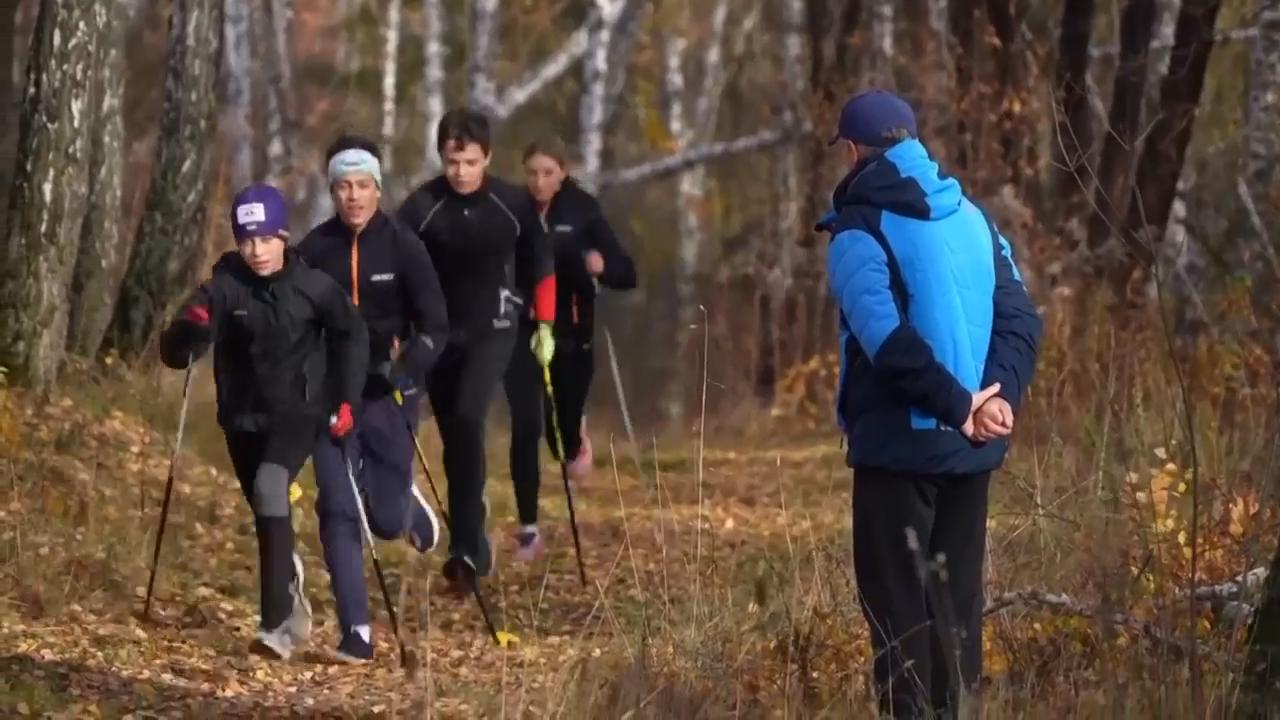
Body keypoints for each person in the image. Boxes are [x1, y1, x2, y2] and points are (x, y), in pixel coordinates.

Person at [817, 89, 1041, 718]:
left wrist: (961, 405)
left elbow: (885, 342)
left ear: (855, 151)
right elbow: (1021, 318)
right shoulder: (974, 218)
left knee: (896, 612)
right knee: (957, 607)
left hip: (900, 449)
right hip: (971, 448)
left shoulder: (856, 230)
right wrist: (997, 401)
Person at [159, 183, 369, 661]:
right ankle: (288, 587)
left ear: (284, 236)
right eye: (246, 240)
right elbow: (178, 345)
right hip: (241, 416)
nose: (256, 250)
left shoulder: (313, 287)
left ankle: (275, 626)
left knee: (273, 487)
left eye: (265, 238)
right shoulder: (224, 285)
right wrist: (186, 336)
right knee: (265, 504)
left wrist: (346, 399)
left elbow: (350, 337)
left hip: (300, 411)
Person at [296, 134, 450, 662]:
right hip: (332, 398)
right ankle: (356, 634)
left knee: (383, 520)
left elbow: (435, 328)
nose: (354, 197)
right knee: (338, 508)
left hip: (390, 396)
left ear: (377, 189)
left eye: (363, 185)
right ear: (332, 191)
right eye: (343, 187)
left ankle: (405, 508)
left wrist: (405, 371)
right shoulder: (314, 251)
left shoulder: (404, 246)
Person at [398, 108, 556, 592]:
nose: (460, 172)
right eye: (451, 161)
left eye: (469, 161)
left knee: (469, 416)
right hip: (440, 334)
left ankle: (464, 549)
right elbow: (395, 263)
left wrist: (544, 323)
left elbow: (542, 264)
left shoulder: (512, 204)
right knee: (455, 440)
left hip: (495, 328)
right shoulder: (422, 207)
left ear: (486, 157)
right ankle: (473, 537)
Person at [502, 137, 637, 561]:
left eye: (548, 173)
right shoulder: (513, 212)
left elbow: (625, 272)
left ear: (562, 173)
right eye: (532, 173)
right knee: (525, 424)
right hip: (523, 332)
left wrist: (601, 266)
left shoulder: (582, 211)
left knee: (558, 437)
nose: (539, 182)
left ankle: (573, 439)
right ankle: (528, 530)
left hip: (572, 332)